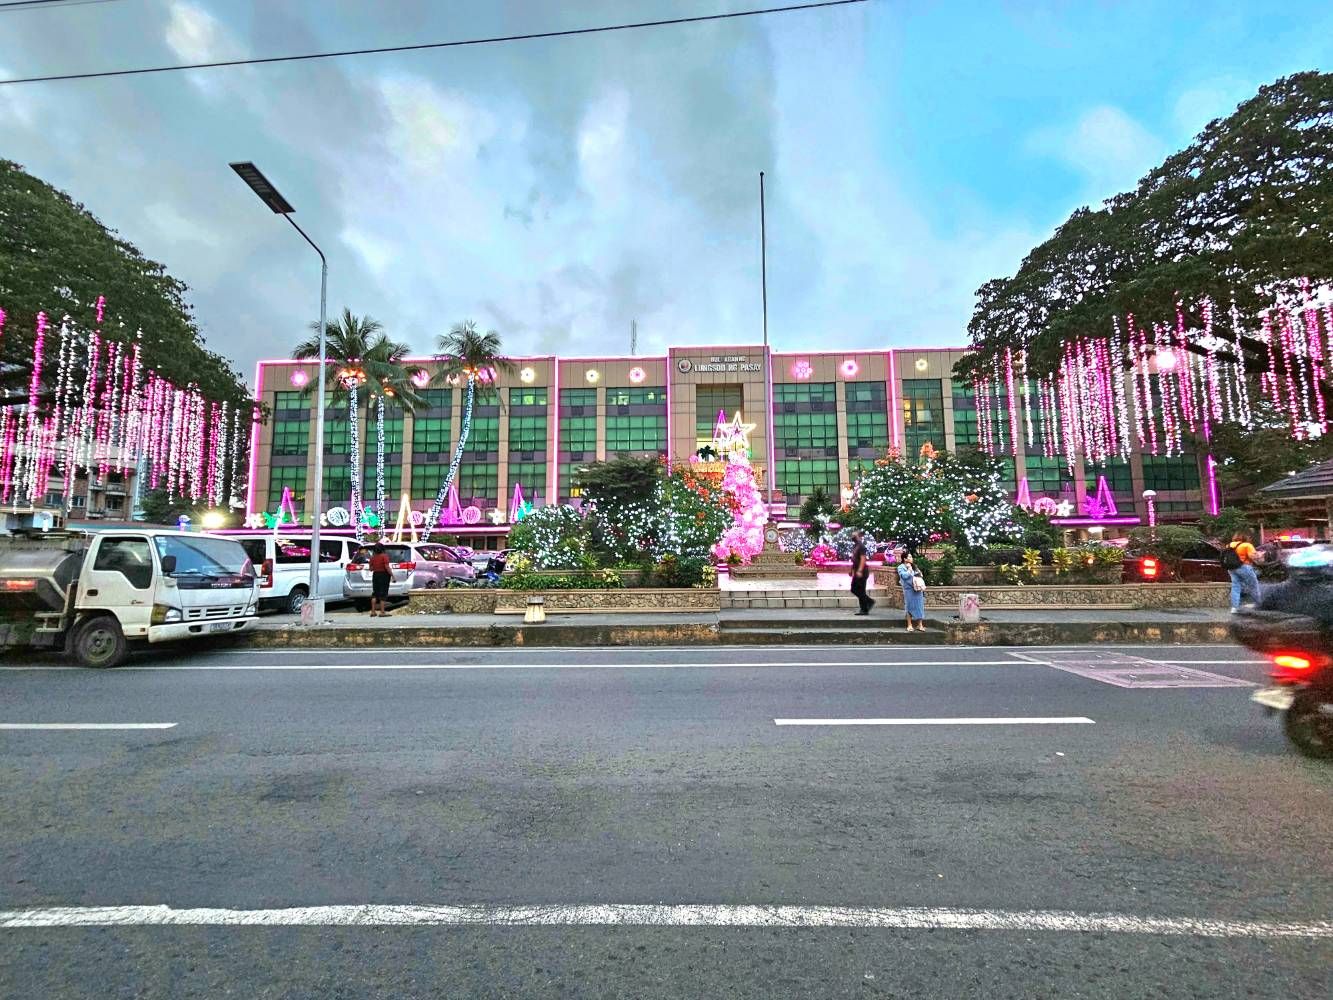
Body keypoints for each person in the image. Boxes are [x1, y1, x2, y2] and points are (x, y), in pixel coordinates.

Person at [1225, 530, 1261, 613]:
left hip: (1231, 568)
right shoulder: (1247, 545)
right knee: (1253, 585)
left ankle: (1234, 608)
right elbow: (1253, 557)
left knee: (1235, 587)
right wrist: (1259, 555)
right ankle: (1258, 604)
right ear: (1245, 537)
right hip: (1244, 567)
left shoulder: (1229, 545)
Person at [897, 550, 927, 632]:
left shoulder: (915, 566)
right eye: (909, 557)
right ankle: (909, 625)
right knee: (909, 606)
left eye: (911, 557)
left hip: (917, 589)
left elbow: (920, 575)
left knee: (919, 606)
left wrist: (918, 572)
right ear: (905, 559)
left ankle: (920, 625)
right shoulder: (901, 567)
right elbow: (904, 576)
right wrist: (909, 570)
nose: (911, 558)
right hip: (909, 590)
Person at [849, 531, 874, 615]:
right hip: (856, 571)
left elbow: (863, 559)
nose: (852, 536)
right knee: (854, 589)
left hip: (862, 571)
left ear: (859, 536)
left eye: (854, 535)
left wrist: (859, 570)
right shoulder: (855, 546)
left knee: (860, 590)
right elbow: (854, 559)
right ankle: (868, 603)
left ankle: (865, 608)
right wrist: (851, 570)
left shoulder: (861, 546)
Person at [368, 543, 392, 617]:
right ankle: (382, 612)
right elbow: (387, 567)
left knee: (375, 593)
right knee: (383, 593)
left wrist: (376, 567)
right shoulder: (384, 556)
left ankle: (373, 611)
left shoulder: (372, 557)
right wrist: (392, 575)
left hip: (375, 575)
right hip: (384, 575)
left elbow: (370, 569)